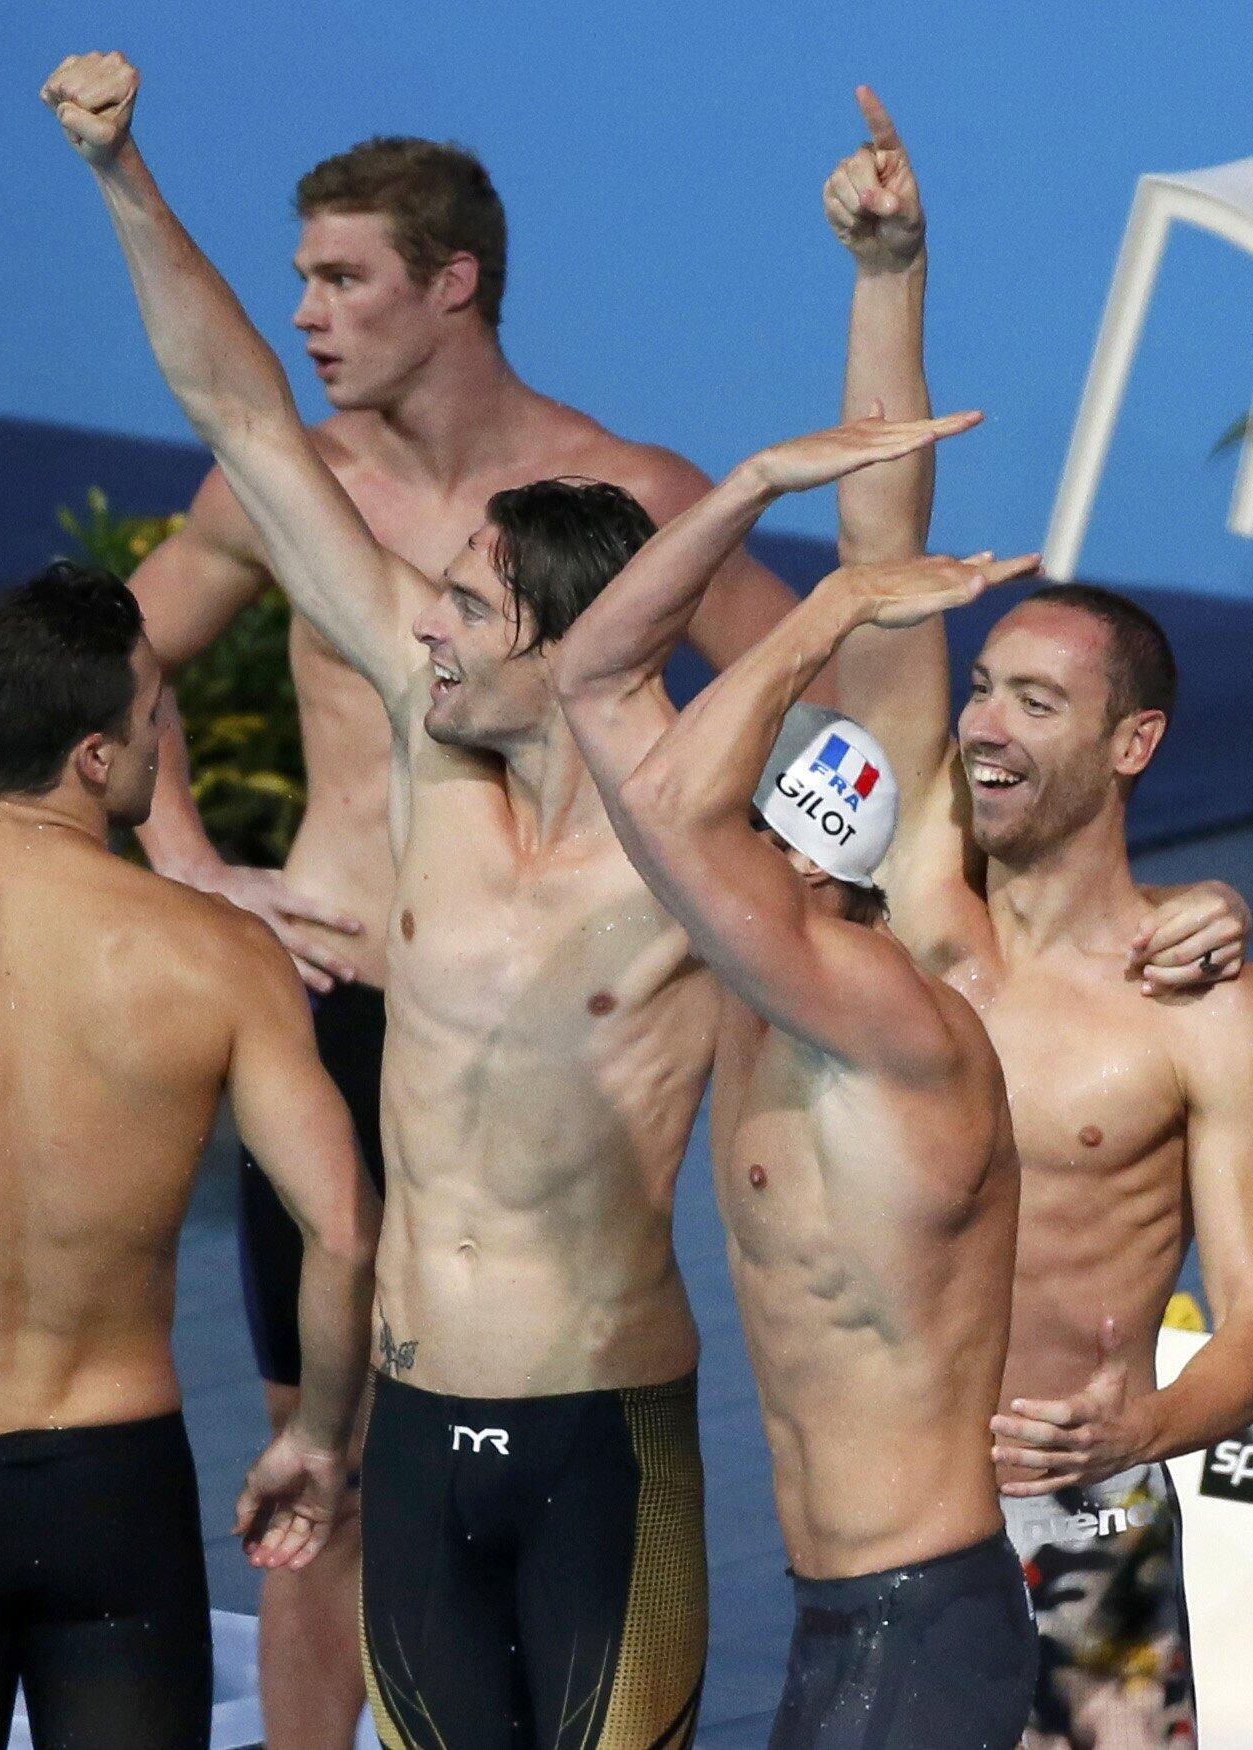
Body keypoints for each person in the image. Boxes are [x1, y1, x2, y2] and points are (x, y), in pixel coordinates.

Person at [45, 52, 770, 1746]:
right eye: (295, 277)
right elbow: (118, 655)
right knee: (323, 1444)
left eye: (341, 277)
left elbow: (842, 714)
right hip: (332, 1008)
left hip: (547, 1017)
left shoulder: (622, 505)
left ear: (453, 285)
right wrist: (200, 876)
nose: (307, 312)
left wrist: (787, 907)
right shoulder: (305, 498)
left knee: (548, 1384)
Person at [815, 96, 1253, 1744]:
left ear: (1133, 744)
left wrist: (1141, 1426)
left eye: (1036, 699)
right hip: (888, 1499)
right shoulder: (918, 925)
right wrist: (891, 274)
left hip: (1086, 1522)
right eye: (983, 693)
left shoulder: (1201, 1005)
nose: (987, 726)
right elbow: (875, 558)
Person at [0, 562, 376, 1749]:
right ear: (95, 755)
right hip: (112, 1488)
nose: (161, 739)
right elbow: (341, 1228)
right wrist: (317, 1441)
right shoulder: (220, 953)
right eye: (152, 718)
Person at [555, 471, 1041, 1742]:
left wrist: (827, 606)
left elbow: (664, 801)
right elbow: (592, 683)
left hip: (921, 1612)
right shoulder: (761, 990)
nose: (701, 875)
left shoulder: (895, 1022)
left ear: (803, 863)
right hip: (838, 1610)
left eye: (744, 847)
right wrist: (761, 482)